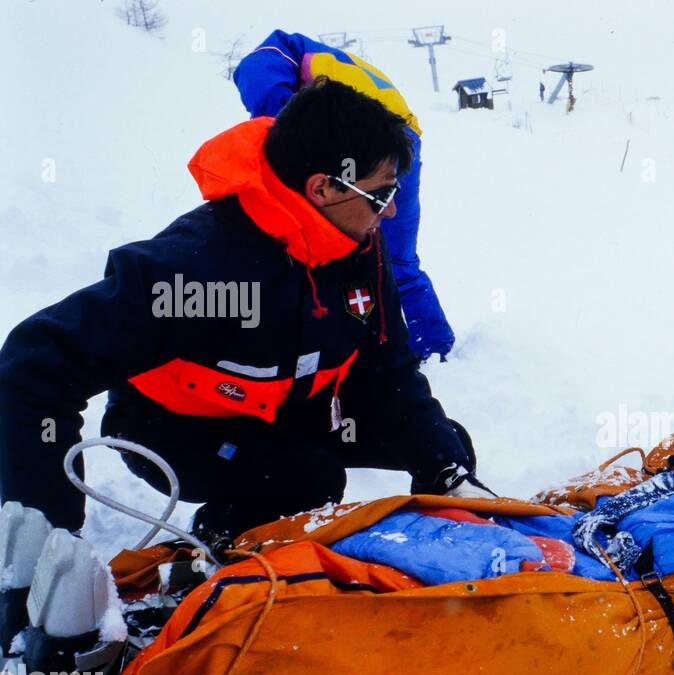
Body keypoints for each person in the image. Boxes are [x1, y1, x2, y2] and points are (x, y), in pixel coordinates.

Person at [0, 80, 489, 559]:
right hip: (182, 432)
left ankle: (443, 537)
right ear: (322, 188)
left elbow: (387, 368)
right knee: (308, 478)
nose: (392, 209)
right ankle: (217, 546)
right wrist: (47, 544)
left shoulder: (357, 247)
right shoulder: (205, 271)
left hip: (292, 409)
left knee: (444, 445)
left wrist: (447, 473)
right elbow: (35, 362)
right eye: (381, 194)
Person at [233, 30, 455, 362]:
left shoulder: (274, 54)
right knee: (396, 258)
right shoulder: (341, 66)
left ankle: (360, 349)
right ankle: (433, 346)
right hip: (404, 141)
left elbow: (271, 106)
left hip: (375, 146)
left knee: (345, 248)